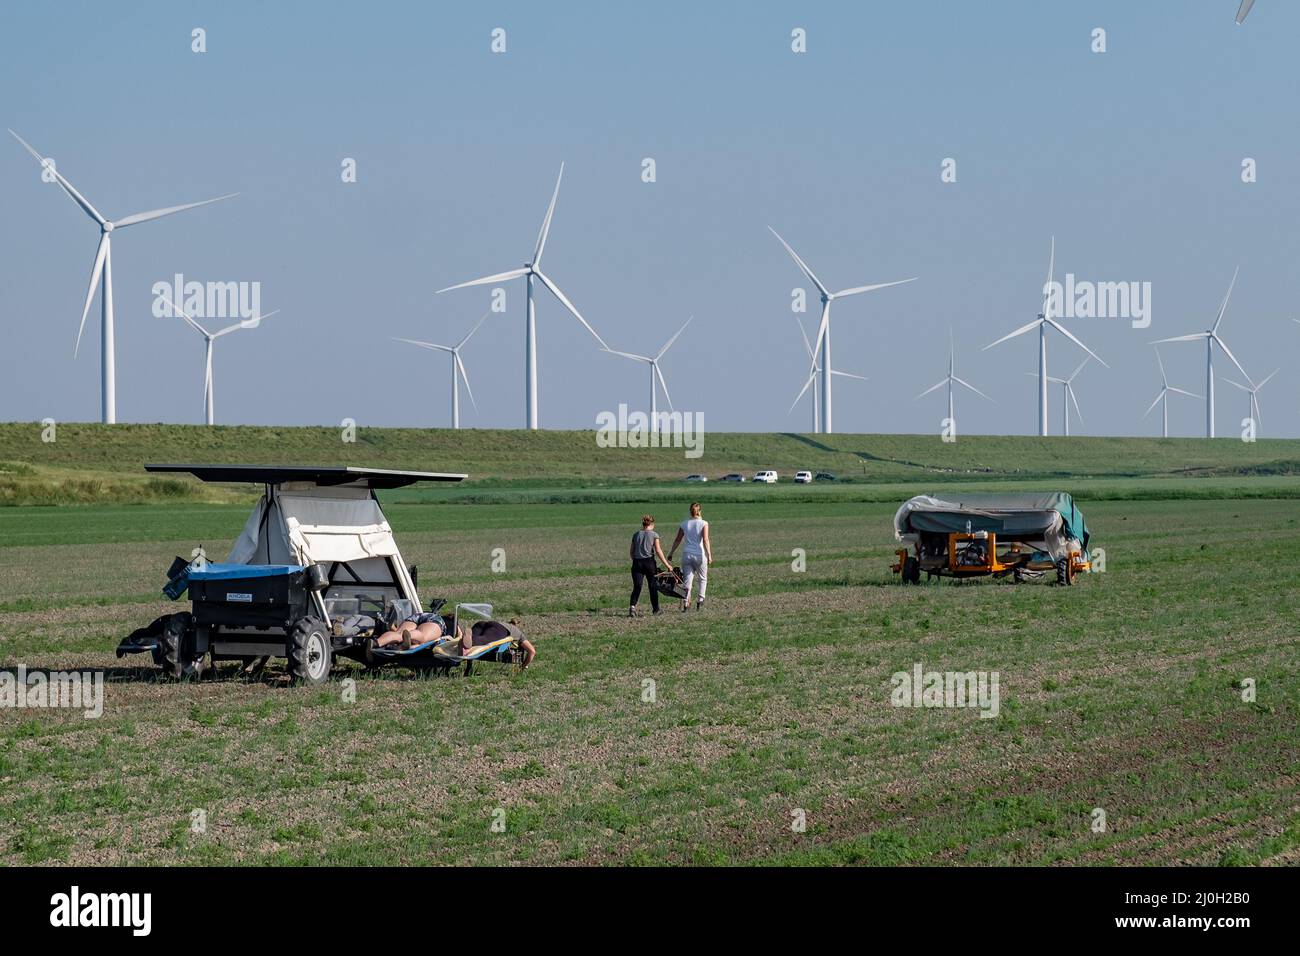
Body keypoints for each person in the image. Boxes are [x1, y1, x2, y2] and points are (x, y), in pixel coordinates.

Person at [667, 502, 712, 611]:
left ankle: (686, 603)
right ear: (700, 511)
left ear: (690, 512)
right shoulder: (704, 523)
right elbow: (705, 540)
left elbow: (678, 539)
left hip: (686, 555)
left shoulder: (684, 524)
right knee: (702, 578)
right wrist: (709, 555)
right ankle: (700, 600)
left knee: (687, 581)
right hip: (699, 555)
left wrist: (671, 553)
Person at [629, 514, 673, 616]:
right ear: (652, 524)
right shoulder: (654, 535)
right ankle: (656, 609)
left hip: (637, 563)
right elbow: (658, 551)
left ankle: (632, 607)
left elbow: (631, 552)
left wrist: (636, 560)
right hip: (649, 563)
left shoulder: (636, 535)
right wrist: (667, 565)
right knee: (652, 586)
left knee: (637, 586)